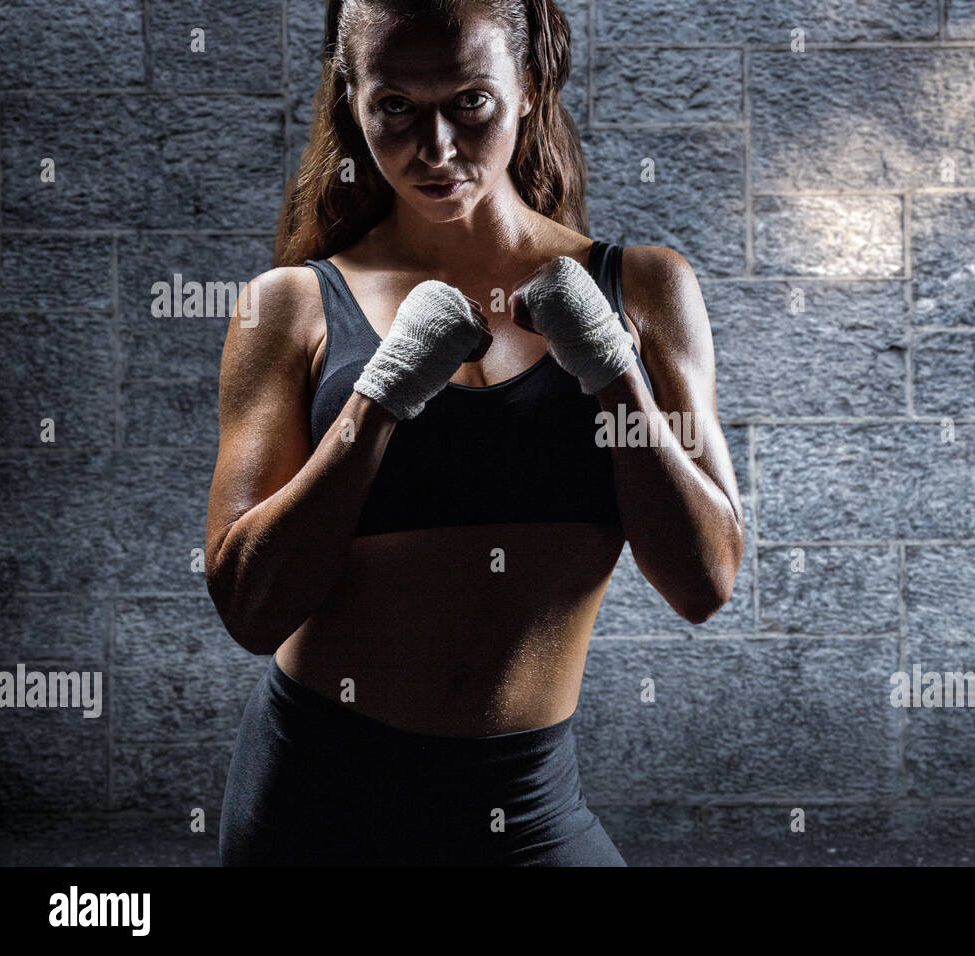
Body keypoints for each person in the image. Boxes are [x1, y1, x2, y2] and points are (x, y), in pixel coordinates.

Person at [206, 0, 745, 866]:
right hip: (320, 800)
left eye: (470, 103)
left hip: (529, 804)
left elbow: (705, 579)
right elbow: (248, 604)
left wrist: (613, 371)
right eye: (396, 109)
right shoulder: (290, 307)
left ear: (528, 88)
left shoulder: (643, 288)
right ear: (352, 99)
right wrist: (376, 399)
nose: (438, 148)